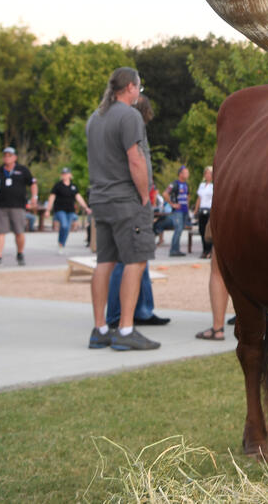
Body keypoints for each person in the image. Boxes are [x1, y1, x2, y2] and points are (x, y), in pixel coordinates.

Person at [85, 67, 159, 352]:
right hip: (126, 200)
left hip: (100, 199)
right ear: (130, 87)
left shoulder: (96, 117)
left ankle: (100, 328)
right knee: (136, 260)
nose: (139, 92)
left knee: (105, 262)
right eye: (138, 88)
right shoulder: (130, 116)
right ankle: (126, 329)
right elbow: (135, 159)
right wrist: (144, 195)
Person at [0, 147, 37, 267]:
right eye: (5, 156)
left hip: (17, 206)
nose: (7, 158)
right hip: (0, 205)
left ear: (15, 157)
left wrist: (34, 197)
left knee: (19, 231)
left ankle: (20, 253)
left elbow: (33, 183)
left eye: (9, 155)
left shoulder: (22, 170)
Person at [164, 165, 191, 257]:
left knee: (180, 229)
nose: (188, 174)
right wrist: (172, 204)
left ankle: (177, 249)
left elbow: (188, 196)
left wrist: (187, 207)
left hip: (184, 210)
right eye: (186, 172)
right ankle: (173, 250)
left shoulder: (186, 184)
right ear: (180, 174)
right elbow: (165, 193)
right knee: (178, 229)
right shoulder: (175, 184)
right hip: (177, 211)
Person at [194, 165, 214, 258]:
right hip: (202, 209)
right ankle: (204, 250)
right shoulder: (202, 185)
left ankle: (210, 251)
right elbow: (199, 198)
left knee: (209, 232)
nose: (207, 175)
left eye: (209, 173)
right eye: (206, 173)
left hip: (210, 210)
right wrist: (196, 210)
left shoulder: (213, 185)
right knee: (202, 231)